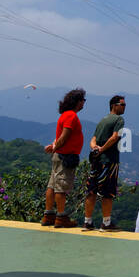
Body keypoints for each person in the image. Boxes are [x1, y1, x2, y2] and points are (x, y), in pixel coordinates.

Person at [43, 88, 86, 229]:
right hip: (65, 156)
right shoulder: (71, 116)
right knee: (60, 187)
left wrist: (53, 146)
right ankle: (61, 218)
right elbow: (65, 136)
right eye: (83, 100)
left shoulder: (64, 115)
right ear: (77, 102)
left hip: (59, 155)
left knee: (52, 185)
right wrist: (55, 147)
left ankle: (48, 215)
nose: (84, 103)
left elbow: (59, 137)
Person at [83, 95, 125, 231]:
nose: (124, 107)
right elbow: (114, 138)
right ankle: (106, 223)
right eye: (122, 104)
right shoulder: (119, 120)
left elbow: (93, 139)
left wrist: (95, 148)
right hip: (109, 160)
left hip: (96, 161)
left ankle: (87, 222)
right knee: (108, 192)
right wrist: (102, 150)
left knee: (91, 190)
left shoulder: (102, 120)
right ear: (114, 105)